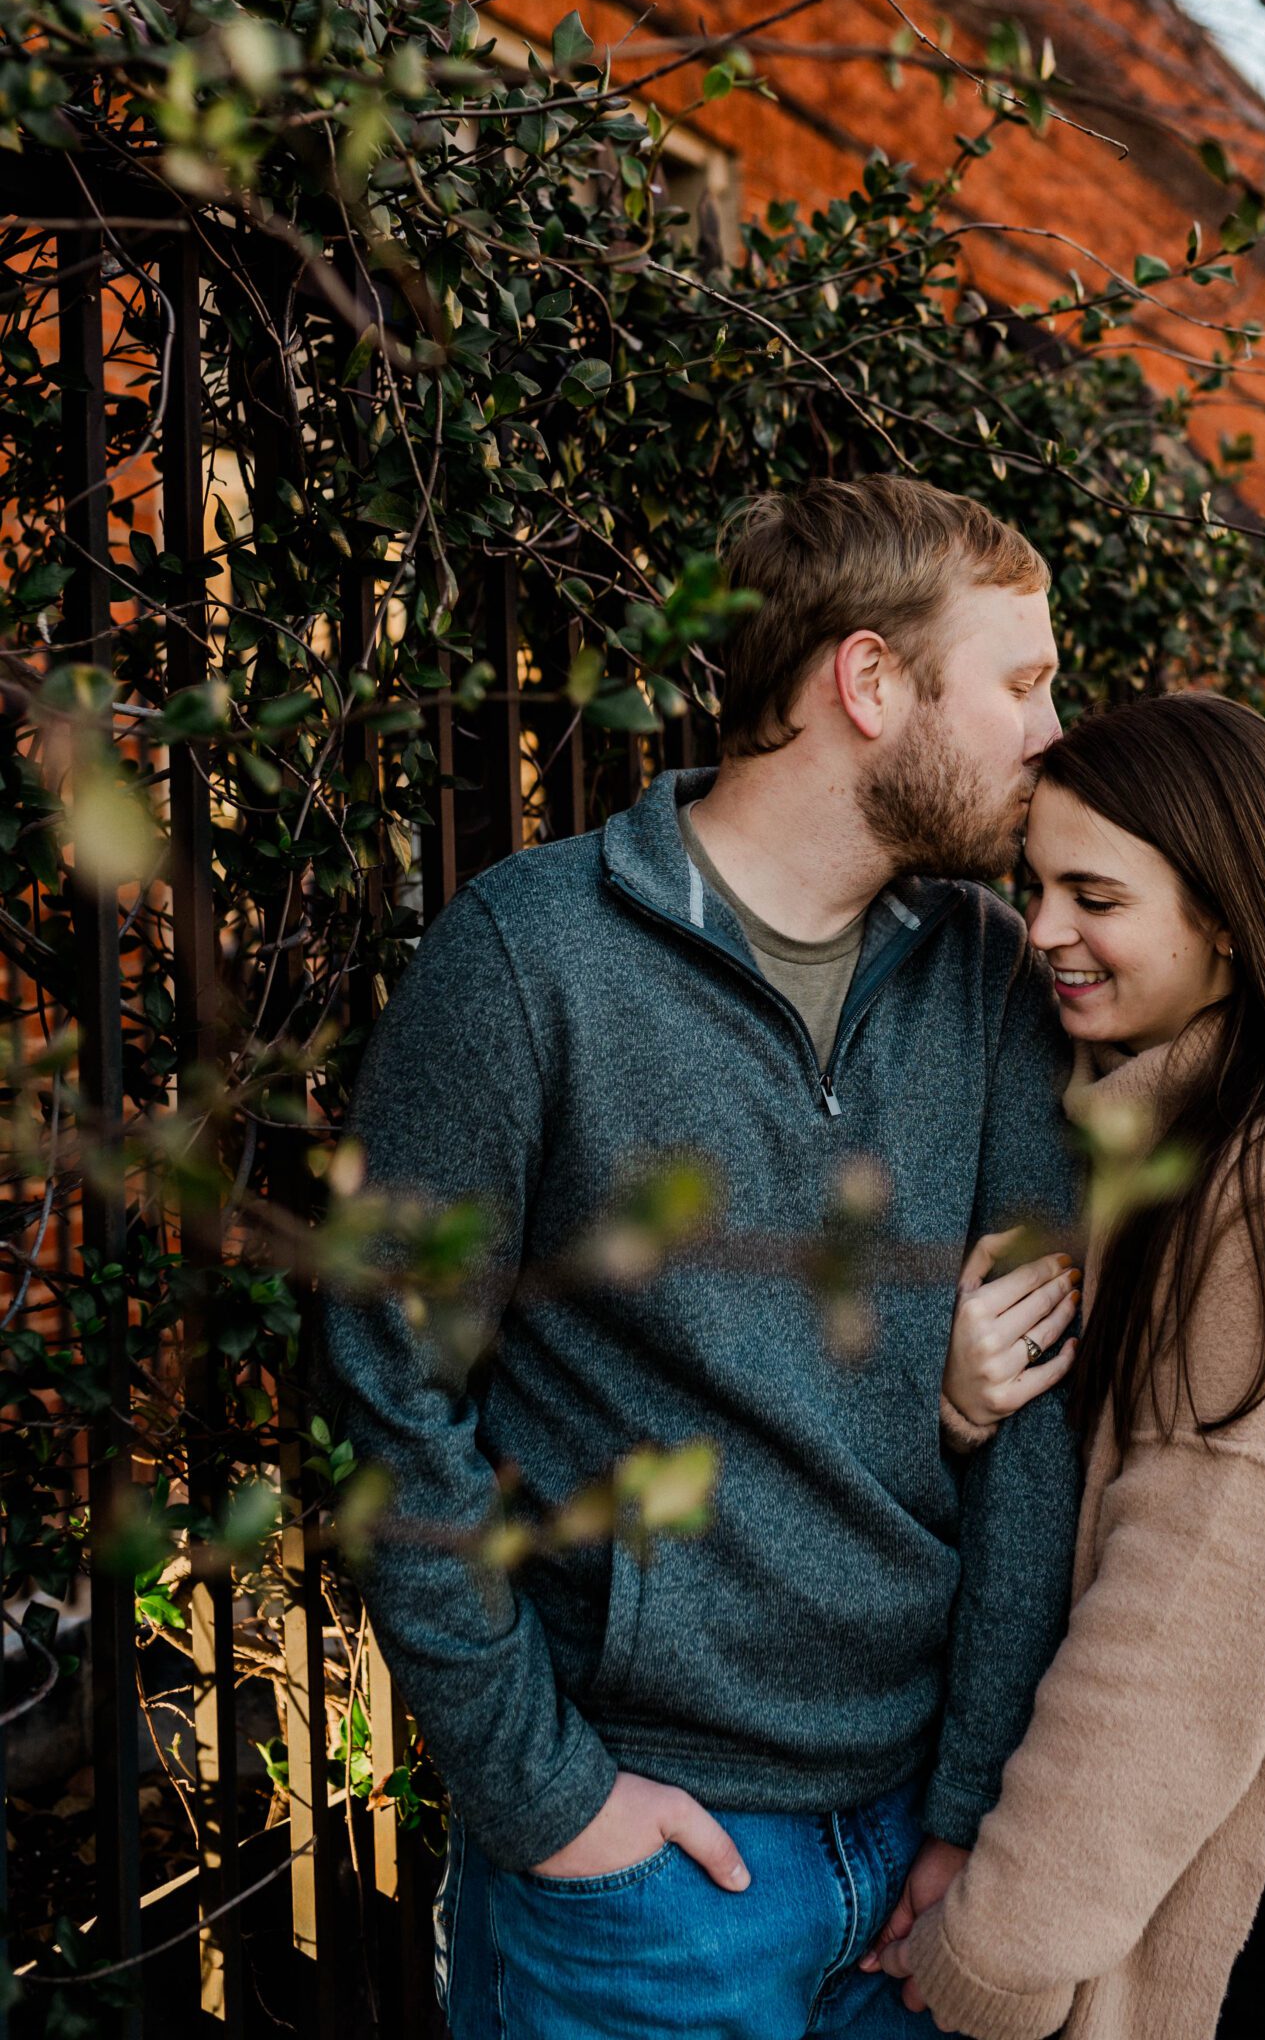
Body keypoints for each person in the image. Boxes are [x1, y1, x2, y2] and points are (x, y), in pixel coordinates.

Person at [324, 474, 1084, 2040]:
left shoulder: (990, 978)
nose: (1049, 729)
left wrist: (970, 1811)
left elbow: (1036, 1426)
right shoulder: (532, 959)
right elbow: (385, 1393)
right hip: (648, 1875)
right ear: (869, 684)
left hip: (920, 1870)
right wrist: (550, 1801)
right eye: (1020, 683)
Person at [872, 692, 1265, 2040]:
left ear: (1224, 913)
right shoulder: (1165, 1149)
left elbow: (1184, 1632)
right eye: (1033, 884)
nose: (1039, 931)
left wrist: (996, 1948)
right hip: (1183, 1905)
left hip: (1231, 1948)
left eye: (1093, 893)